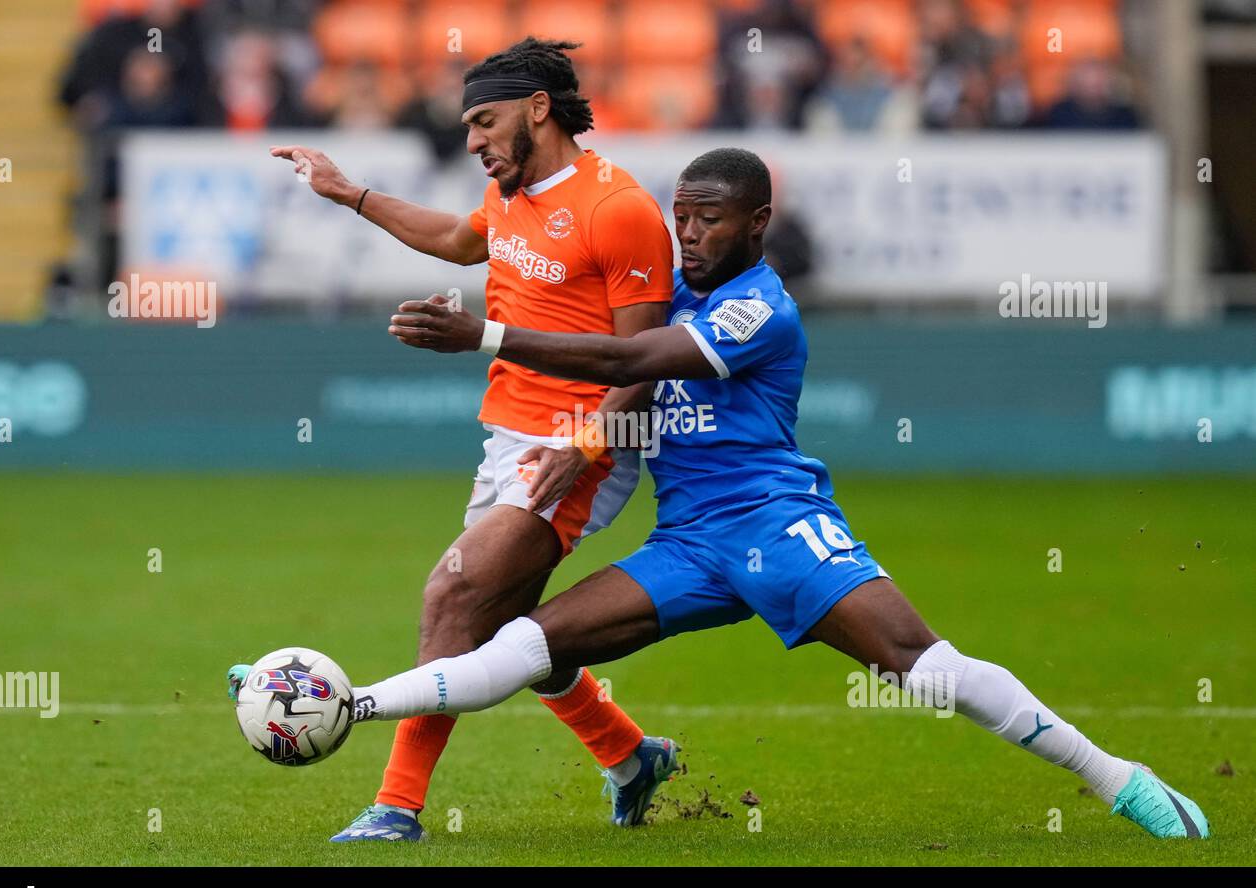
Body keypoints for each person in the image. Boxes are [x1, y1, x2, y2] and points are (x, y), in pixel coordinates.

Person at [358, 147, 1209, 841]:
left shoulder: (761, 308)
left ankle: (1121, 782)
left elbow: (631, 363)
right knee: (524, 646)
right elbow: (600, 338)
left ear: (758, 222)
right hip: (686, 547)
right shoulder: (667, 286)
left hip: (780, 526)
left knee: (924, 670)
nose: (686, 234)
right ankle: (352, 709)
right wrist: (583, 441)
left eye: (709, 219)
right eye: (680, 217)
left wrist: (485, 334)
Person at [238, 38, 680, 841]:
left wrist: (582, 443)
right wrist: (348, 193)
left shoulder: (619, 210)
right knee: (515, 628)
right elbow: (456, 239)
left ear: (537, 110)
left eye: (485, 121)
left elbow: (644, 360)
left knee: (452, 597)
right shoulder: (511, 194)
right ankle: (627, 753)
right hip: (509, 438)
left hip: (580, 447)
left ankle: (396, 808)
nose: (473, 139)